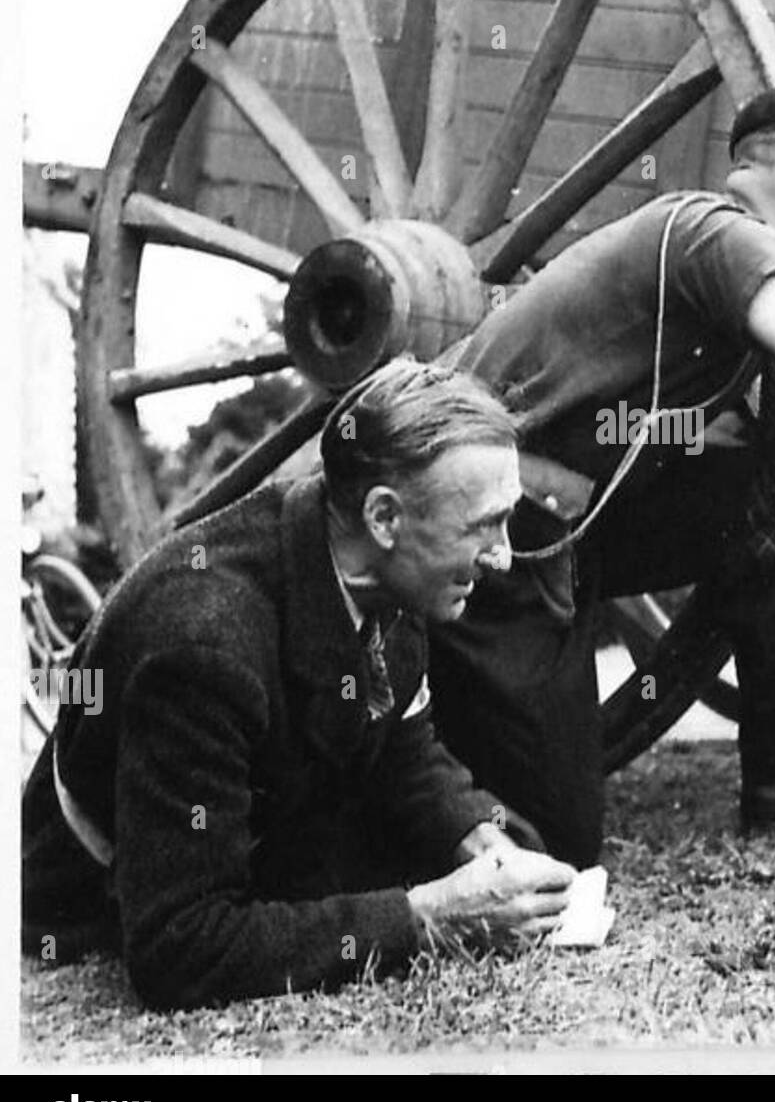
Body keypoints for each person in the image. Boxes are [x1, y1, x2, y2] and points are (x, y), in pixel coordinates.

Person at [428, 82, 775, 867]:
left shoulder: (736, 289)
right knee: (554, 850)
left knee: (769, 482)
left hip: (565, 536)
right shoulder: (712, 237)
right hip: (483, 542)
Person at [21, 362, 576, 1011]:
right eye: (483, 525)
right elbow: (180, 946)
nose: (504, 556)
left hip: (274, 837)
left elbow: (404, 748)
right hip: (93, 900)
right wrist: (430, 917)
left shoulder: (375, 568)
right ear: (385, 516)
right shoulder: (202, 642)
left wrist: (479, 836)